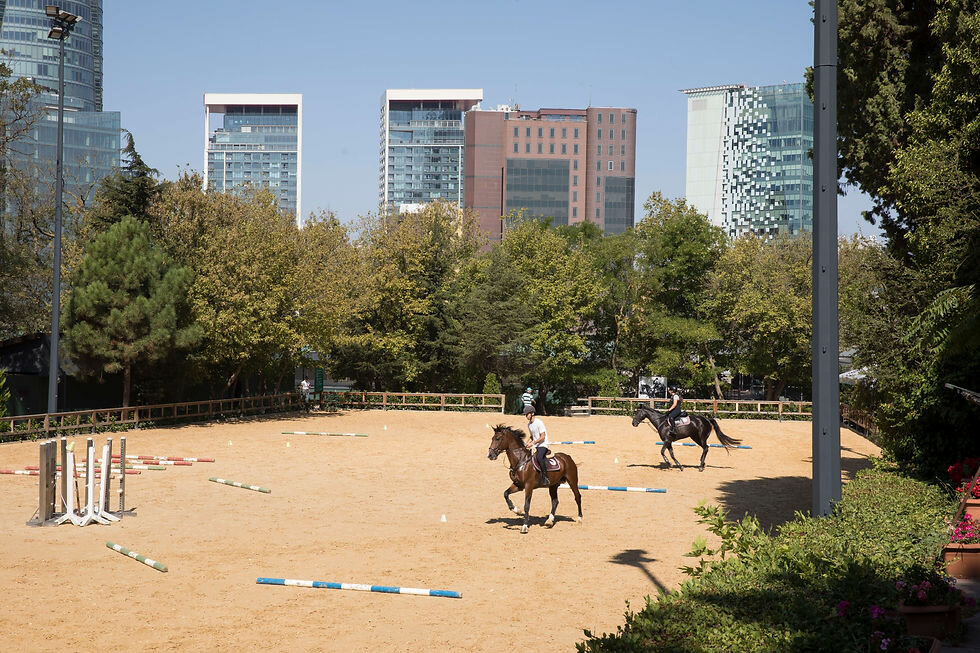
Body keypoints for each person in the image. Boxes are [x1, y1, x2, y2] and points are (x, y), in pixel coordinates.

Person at [523, 405, 550, 486]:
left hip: (543, 444)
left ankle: (545, 477)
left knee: (539, 457)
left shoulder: (539, 422)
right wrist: (526, 443)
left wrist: (533, 443)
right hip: (535, 445)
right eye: (525, 414)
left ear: (532, 413)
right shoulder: (529, 425)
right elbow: (532, 436)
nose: (526, 416)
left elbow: (542, 437)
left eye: (527, 414)